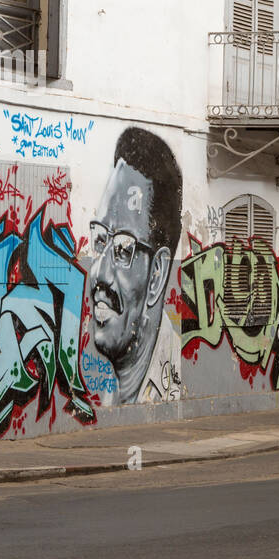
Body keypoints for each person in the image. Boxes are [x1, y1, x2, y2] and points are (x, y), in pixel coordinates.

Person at [89, 128, 183, 407]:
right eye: (100, 239)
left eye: (123, 248)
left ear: (156, 276)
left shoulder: (169, 388)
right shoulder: (112, 392)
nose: (99, 273)